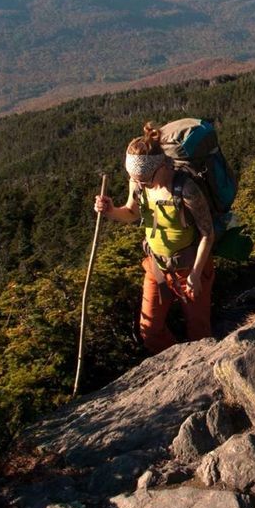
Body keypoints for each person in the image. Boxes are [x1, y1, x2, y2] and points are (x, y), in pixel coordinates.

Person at [95, 123, 216, 354]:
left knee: (199, 331)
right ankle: (179, 366)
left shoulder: (185, 189)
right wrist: (110, 210)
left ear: (161, 166)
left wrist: (196, 273)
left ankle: (203, 369)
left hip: (189, 267)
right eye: (135, 179)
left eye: (144, 179)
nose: (139, 184)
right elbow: (131, 212)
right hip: (156, 266)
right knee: (149, 330)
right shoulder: (140, 183)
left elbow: (207, 234)